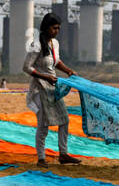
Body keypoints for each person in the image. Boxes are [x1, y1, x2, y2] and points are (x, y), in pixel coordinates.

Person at [23, 12, 80, 167]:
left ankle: (63, 154)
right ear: (47, 27)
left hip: (52, 89)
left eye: (59, 28)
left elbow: (56, 61)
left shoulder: (55, 43)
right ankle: (41, 158)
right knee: (43, 125)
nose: (56, 31)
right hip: (39, 89)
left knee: (64, 119)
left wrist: (68, 70)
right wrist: (44, 76)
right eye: (54, 28)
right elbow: (26, 67)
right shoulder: (36, 44)